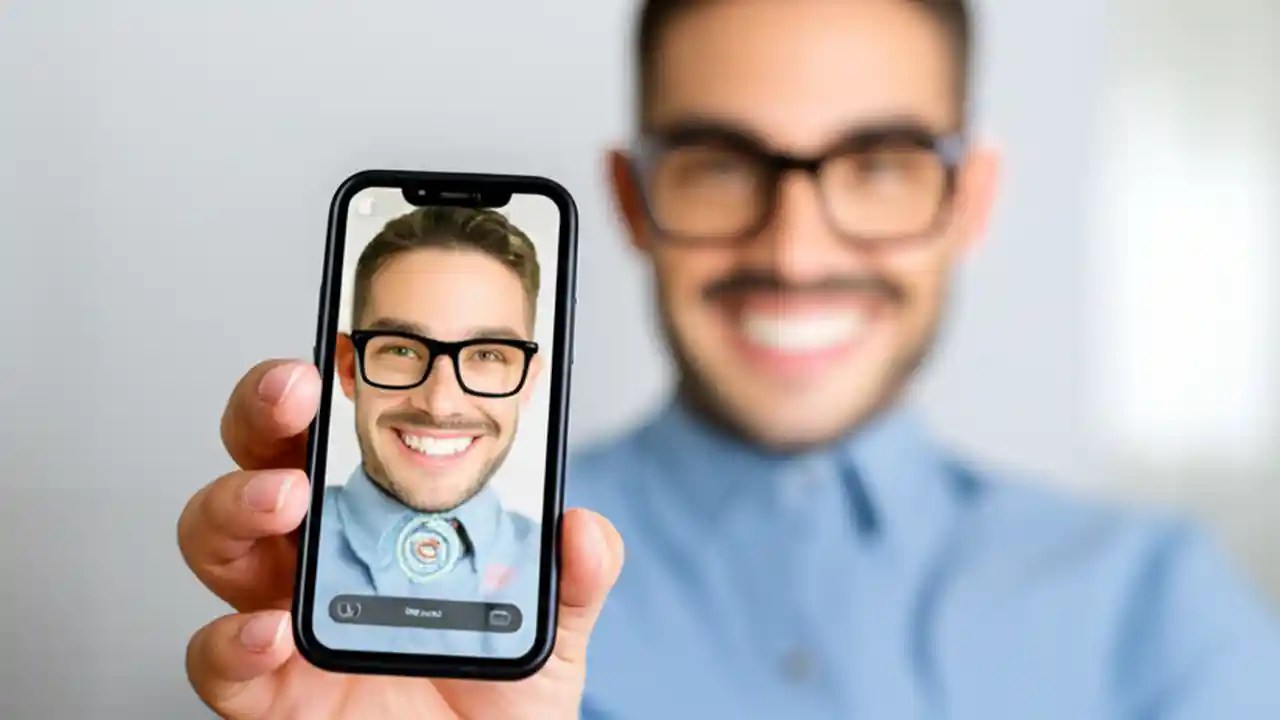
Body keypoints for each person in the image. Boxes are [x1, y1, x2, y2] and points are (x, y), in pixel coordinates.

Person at [176, 0, 1280, 718]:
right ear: (632, 198)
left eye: (879, 163)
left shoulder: (1158, 605)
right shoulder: (419, 613)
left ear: (966, 200)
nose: (794, 251)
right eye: (717, 164)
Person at [311, 205, 547, 658]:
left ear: (528, 382)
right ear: (347, 366)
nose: (440, 404)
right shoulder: (276, 555)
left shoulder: (573, 583)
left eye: (487, 355)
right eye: (401, 349)